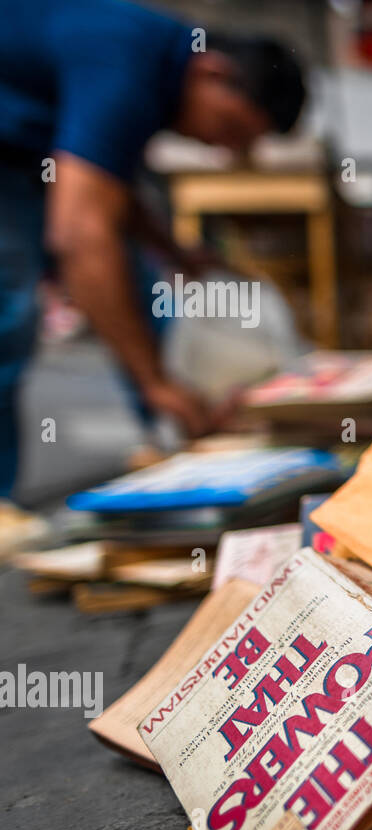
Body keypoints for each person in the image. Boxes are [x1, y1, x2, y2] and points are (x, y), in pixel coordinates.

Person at [0, 0, 306, 499]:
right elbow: (79, 234)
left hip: (31, 161)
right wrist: (154, 381)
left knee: (140, 292)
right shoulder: (125, 61)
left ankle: (190, 451)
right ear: (213, 72)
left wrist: (176, 254)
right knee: (7, 324)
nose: (220, 148)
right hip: (8, 160)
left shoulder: (154, 68)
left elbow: (111, 188)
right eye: (229, 131)